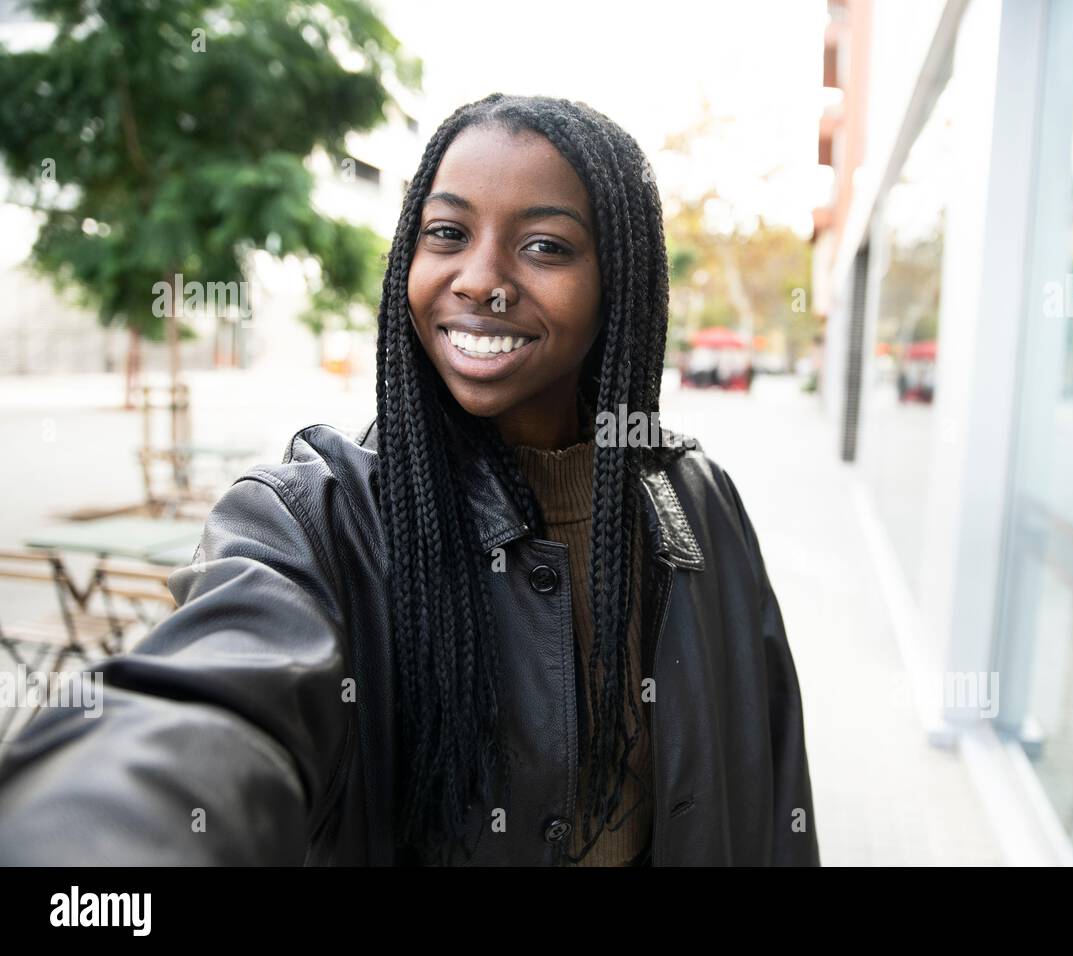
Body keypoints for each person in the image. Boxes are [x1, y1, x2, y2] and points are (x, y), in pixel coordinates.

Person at [0, 93, 820, 867]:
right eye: (447, 234)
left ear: (620, 283)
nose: (479, 278)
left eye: (545, 246)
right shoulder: (319, 518)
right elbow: (211, 703)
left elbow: (777, 796)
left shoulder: (697, 507)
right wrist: (96, 834)